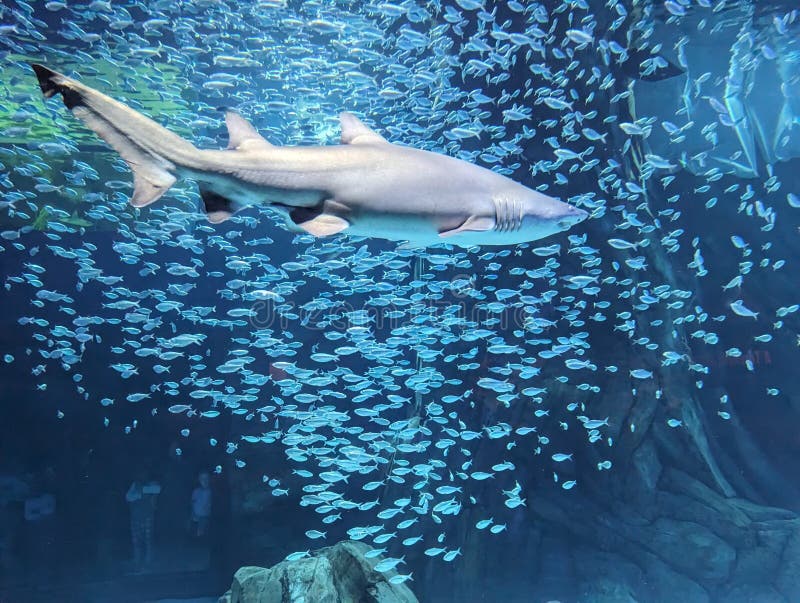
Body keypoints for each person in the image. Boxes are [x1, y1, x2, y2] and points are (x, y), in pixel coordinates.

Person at [126, 469, 161, 570]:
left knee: (148, 540)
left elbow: (157, 489)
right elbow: (128, 497)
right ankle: (137, 561)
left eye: (143, 473)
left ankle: (148, 562)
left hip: (147, 516)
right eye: (140, 473)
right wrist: (141, 495)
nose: (141, 475)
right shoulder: (135, 484)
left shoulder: (152, 484)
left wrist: (140, 492)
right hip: (136, 517)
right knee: (136, 541)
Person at [189, 471, 212, 538]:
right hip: (196, 517)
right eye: (202, 479)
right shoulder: (196, 491)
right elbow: (192, 503)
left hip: (207, 517)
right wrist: (193, 513)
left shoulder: (212, 491)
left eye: (206, 478)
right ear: (199, 480)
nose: (204, 481)